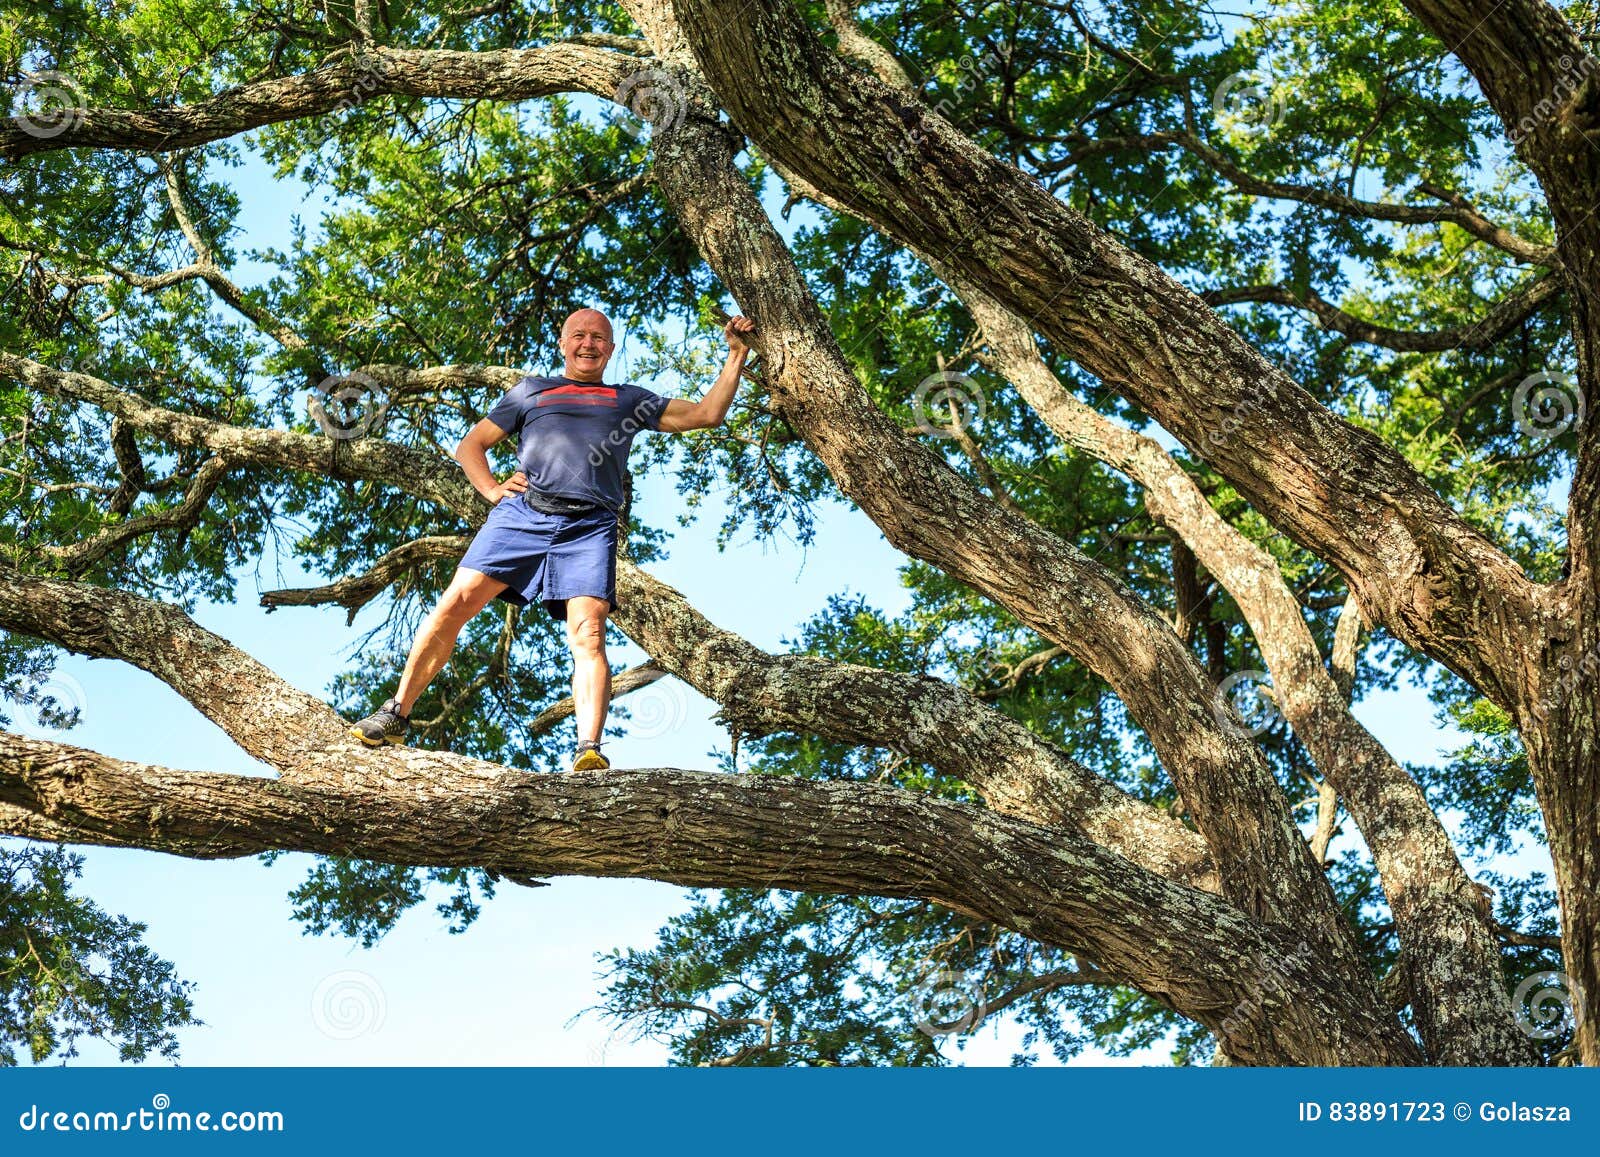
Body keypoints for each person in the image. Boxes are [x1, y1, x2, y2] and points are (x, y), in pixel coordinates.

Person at [349, 307, 756, 771]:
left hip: (589, 527)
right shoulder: (530, 391)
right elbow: (471, 445)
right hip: (521, 516)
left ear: (611, 348)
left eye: (599, 338)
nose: (588, 344)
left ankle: (589, 749)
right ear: (563, 344)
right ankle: (396, 713)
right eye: (578, 335)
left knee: (589, 633)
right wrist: (492, 490)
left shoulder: (628, 399)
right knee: (455, 602)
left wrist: (736, 354)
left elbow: (706, 414)